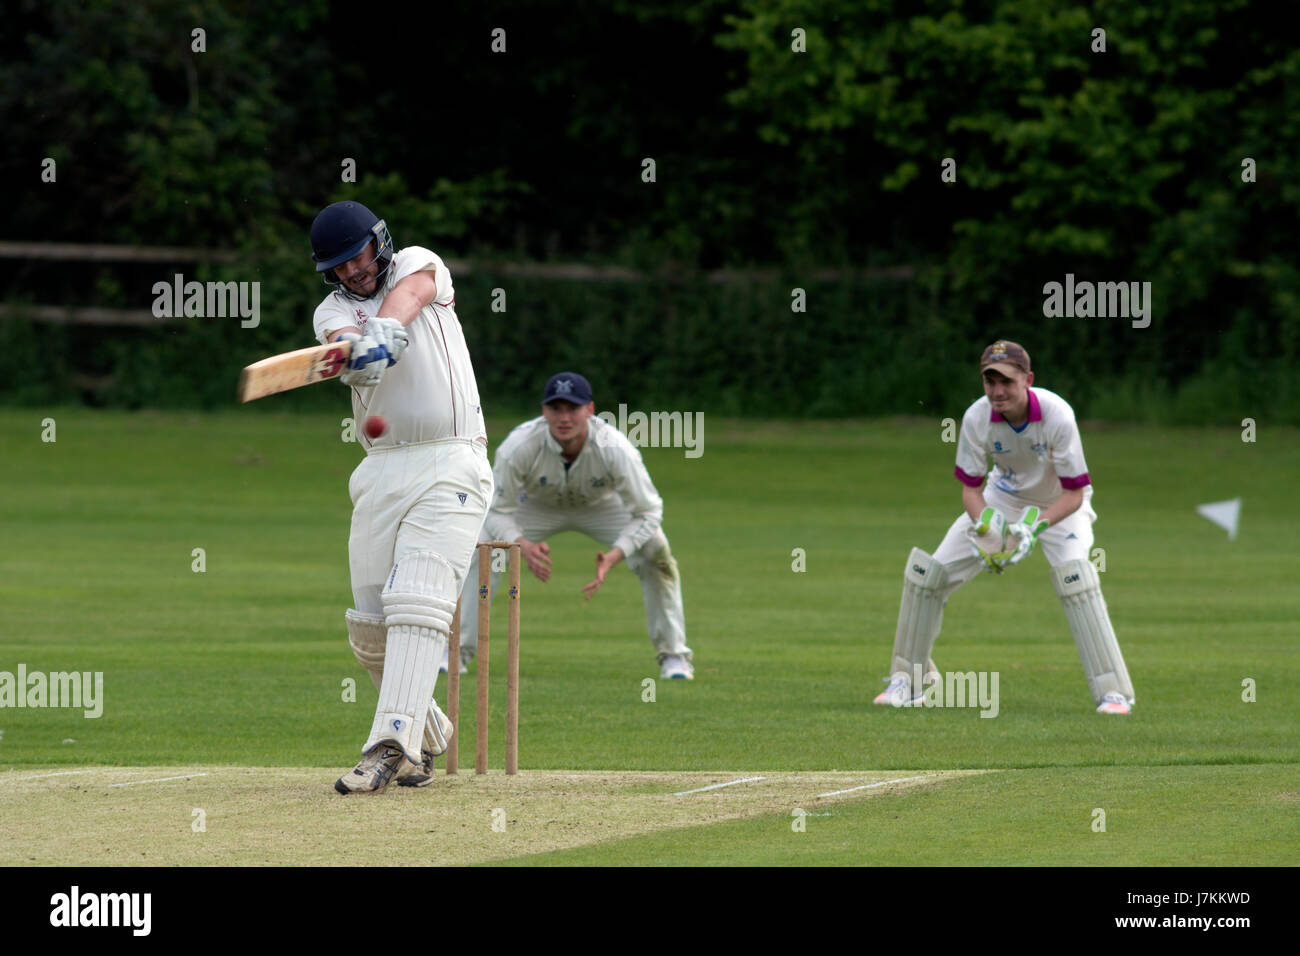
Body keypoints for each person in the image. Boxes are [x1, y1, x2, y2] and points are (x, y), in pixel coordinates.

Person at [308, 200, 493, 793]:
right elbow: (343, 347)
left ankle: (388, 744)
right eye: (338, 267)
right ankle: (428, 732)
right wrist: (358, 359)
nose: (351, 272)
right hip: (380, 469)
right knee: (371, 627)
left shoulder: (418, 261)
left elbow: (410, 296)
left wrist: (385, 331)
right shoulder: (331, 310)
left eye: (357, 257)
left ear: (378, 243)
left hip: (452, 457)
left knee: (417, 598)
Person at [873, 340, 1135, 714]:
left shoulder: (1057, 415)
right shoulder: (978, 418)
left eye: (1006, 382)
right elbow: (970, 490)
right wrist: (987, 526)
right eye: (989, 381)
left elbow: (1075, 494)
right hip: (1002, 500)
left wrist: (1033, 528)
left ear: (1027, 379)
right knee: (927, 575)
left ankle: (1113, 692)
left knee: (1075, 577)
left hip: (1060, 504)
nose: (997, 391)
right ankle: (909, 680)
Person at [452, 372, 695, 680]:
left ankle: (673, 655)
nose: (564, 417)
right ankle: (458, 651)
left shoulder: (616, 448)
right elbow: (496, 510)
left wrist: (616, 554)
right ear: (544, 411)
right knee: (485, 550)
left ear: (590, 411)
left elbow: (648, 511)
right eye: (556, 408)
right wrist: (521, 545)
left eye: (573, 408)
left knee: (655, 550)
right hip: (537, 505)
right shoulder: (519, 446)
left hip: (601, 506)